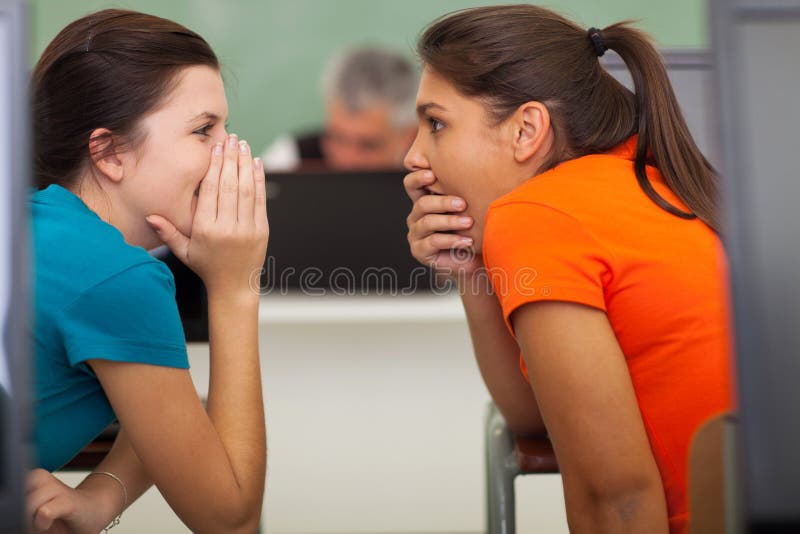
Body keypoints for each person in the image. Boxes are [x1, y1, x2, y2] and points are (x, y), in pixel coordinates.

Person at [403, 6, 732, 533]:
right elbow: (536, 418)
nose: (414, 156)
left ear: (527, 129)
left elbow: (616, 500)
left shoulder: (541, 214)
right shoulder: (648, 179)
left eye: (436, 123)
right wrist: (470, 266)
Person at [26, 10, 268, 533]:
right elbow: (231, 519)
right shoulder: (116, 278)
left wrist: (99, 497)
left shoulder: (41, 227)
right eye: (204, 130)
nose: (228, 150)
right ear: (109, 152)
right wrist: (234, 289)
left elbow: (158, 407)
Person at [261, 46, 418, 171]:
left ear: (408, 137)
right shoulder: (289, 159)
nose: (347, 161)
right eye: (336, 138)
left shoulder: (431, 176)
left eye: (368, 145)